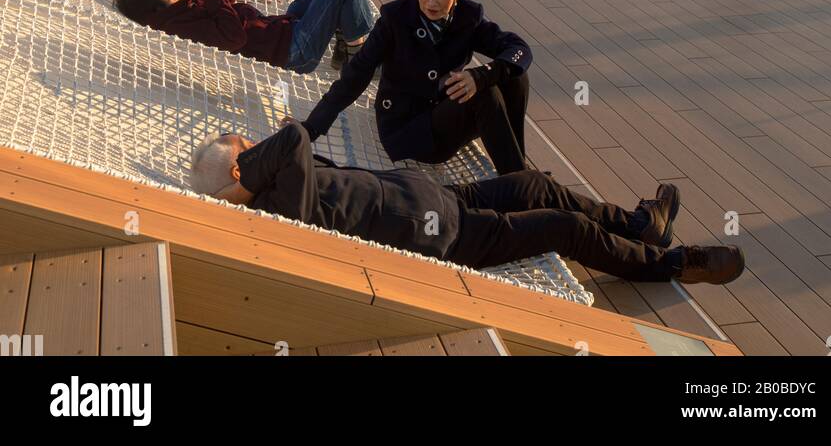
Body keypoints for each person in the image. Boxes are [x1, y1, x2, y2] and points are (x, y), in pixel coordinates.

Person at [189, 121, 745, 286]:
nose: (252, 138)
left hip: (442, 197)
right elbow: (293, 138)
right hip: (449, 236)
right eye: (245, 145)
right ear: (244, 170)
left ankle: (642, 225)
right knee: (562, 225)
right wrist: (239, 193)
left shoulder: (287, 187)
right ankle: (670, 265)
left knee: (531, 184)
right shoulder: (285, 208)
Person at [303, 0, 531, 173]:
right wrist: (310, 128)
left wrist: (481, 74)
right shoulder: (395, 19)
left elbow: (519, 49)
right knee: (485, 95)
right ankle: (520, 184)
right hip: (408, 129)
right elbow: (357, 74)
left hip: (443, 114)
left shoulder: (467, 18)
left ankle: (518, 169)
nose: (431, 2)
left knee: (514, 77)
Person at [116, 0, 376, 75]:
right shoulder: (179, 26)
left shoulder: (181, 4)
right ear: (153, 8)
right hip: (293, 51)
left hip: (280, 27)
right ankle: (361, 59)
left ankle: (346, 46)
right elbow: (234, 38)